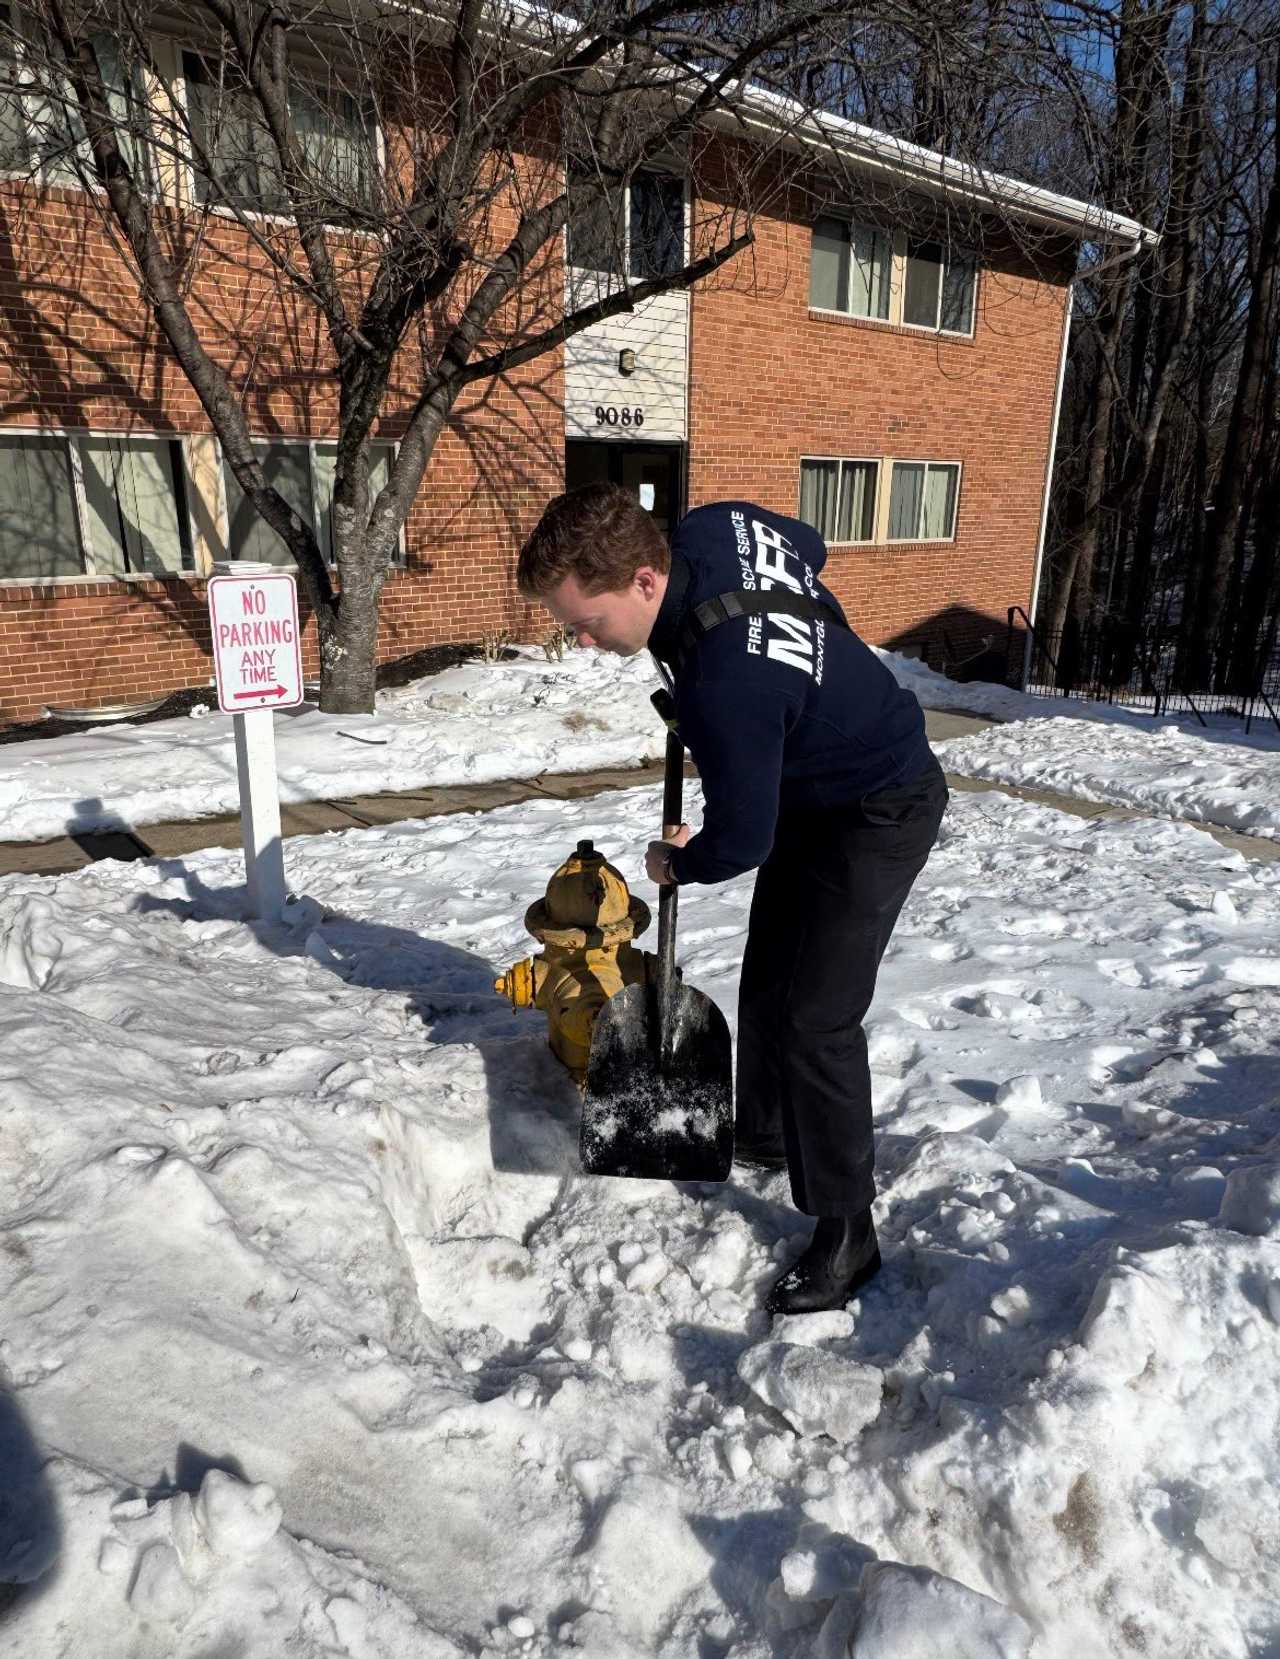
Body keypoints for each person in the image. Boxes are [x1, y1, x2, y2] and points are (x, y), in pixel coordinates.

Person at [516, 483, 947, 1313]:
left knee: (817, 1018)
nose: (582, 640)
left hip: (880, 804)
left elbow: (743, 839)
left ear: (644, 579)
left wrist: (680, 863)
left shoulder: (727, 688)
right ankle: (767, 1132)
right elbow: (808, 545)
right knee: (771, 966)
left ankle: (848, 1235)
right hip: (808, 786)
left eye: (587, 621)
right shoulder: (714, 528)